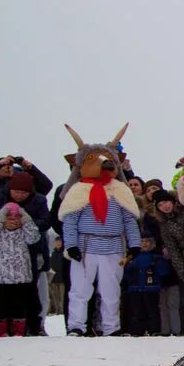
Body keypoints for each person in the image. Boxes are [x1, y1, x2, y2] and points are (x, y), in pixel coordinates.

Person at [57, 126, 142, 337]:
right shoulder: (78, 191)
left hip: (113, 246)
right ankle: (76, 325)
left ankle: (111, 327)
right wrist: (71, 245)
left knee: (110, 290)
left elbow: (129, 220)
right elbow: (70, 221)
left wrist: (134, 244)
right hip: (86, 247)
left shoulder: (119, 190)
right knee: (80, 289)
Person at [0, 200, 43, 336]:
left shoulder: (24, 232)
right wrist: (0, 217)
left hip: (20, 277)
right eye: (9, 218)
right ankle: (1, 331)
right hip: (0, 277)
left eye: (16, 218)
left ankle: (18, 331)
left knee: (19, 307)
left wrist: (25, 218)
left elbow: (34, 237)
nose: (13, 221)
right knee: (0, 307)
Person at [150, 190, 184, 335]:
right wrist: (183, 274)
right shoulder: (165, 225)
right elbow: (173, 251)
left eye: (166, 202)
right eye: (160, 205)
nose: (165, 206)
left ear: (173, 200)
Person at [122, 235, 173, 336]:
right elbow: (125, 272)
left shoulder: (156, 257)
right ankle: (136, 331)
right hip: (135, 288)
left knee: (152, 311)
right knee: (136, 311)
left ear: (152, 244)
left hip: (151, 289)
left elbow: (164, 272)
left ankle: (154, 330)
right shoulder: (132, 258)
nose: (144, 244)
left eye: (147, 241)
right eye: (142, 241)